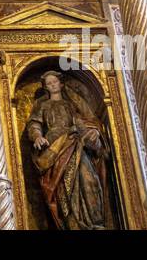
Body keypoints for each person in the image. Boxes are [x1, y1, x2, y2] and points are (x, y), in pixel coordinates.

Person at [25, 70, 110, 229]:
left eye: (55, 82)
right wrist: (37, 137)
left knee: (89, 179)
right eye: (49, 83)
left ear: (61, 83)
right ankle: (71, 223)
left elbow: (83, 123)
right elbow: (34, 124)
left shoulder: (71, 104)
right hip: (55, 148)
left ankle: (93, 221)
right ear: (46, 87)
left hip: (75, 143)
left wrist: (93, 133)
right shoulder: (43, 106)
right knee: (63, 184)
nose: (52, 85)